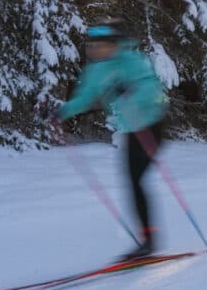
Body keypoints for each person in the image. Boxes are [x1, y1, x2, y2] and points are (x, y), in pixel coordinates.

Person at [55, 21, 170, 260]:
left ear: (114, 45)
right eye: (91, 45)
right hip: (130, 129)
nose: (95, 50)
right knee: (132, 181)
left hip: (151, 125)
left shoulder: (132, 61)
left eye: (100, 45)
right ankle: (148, 240)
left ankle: (149, 241)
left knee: (136, 179)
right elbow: (85, 98)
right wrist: (61, 112)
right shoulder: (94, 70)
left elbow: (153, 89)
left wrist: (132, 92)